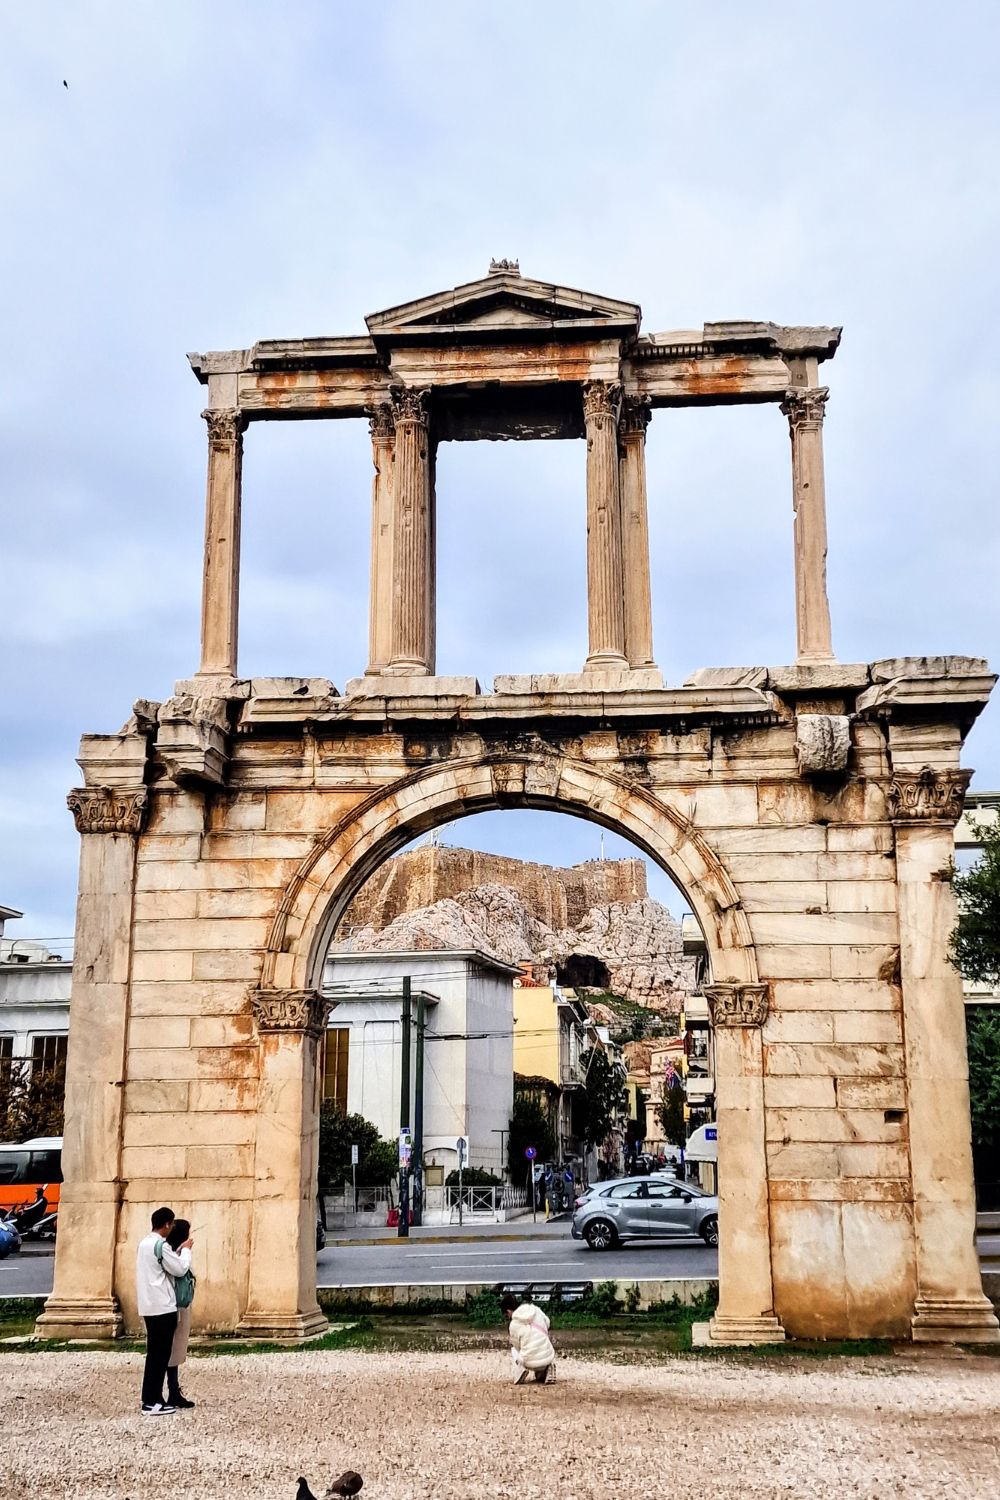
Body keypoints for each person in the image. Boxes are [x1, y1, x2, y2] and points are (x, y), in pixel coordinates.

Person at [135, 1206, 192, 1415]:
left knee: (154, 1356)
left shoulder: (144, 1243)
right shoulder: (161, 1245)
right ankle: (153, 1401)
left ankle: (151, 1399)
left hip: (148, 1305)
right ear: (167, 1224)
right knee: (160, 1356)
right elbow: (180, 1268)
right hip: (162, 1306)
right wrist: (186, 1250)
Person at [164, 1217, 196, 1409]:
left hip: (177, 1305)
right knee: (172, 1350)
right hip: (175, 1305)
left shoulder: (170, 1251)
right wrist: (185, 1250)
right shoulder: (172, 1253)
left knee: (174, 1350)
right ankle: (172, 1391)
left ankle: (173, 1389)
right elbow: (182, 1269)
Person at [500, 1292, 556, 1384]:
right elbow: (547, 1323)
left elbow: (517, 1347)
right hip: (547, 1357)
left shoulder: (514, 1324)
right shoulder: (535, 1310)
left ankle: (521, 1368)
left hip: (529, 1362)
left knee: (514, 1348)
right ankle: (548, 1367)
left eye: (507, 1315)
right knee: (543, 1342)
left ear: (509, 1311)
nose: (508, 1317)